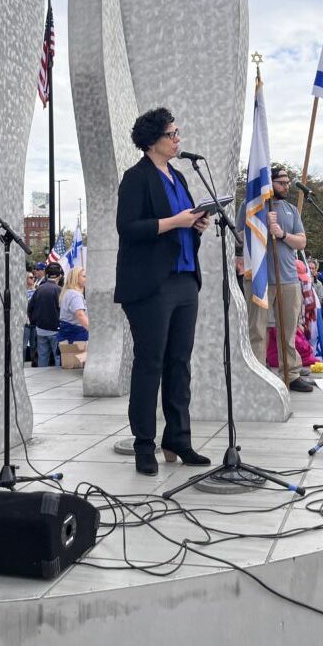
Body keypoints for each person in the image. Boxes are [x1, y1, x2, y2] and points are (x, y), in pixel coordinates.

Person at [114, 107, 211, 476]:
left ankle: (178, 439)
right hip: (152, 285)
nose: (178, 139)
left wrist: (196, 225)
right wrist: (176, 222)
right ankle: (144, 445)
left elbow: (183, 222)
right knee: (150, 365)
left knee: (179, 365)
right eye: (173, 134)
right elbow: (129, 228)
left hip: (185, 279)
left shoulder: (180, 176)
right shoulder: (136, 177)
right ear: (153, 139)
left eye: (177, 133)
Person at [235, 164, 312, 392]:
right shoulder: (249, 206)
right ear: (270, 183)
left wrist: (281, 234)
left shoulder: (290, 209)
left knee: (288, 330)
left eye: (288, 182)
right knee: (256, 329)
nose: (286, 186)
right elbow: (239, 237)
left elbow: (301, 241)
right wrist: (258, 225)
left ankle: (291, 373)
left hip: (288, 278)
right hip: (259, 276)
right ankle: (257, 373)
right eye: (281, 182)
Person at [27, 262, 63, 366]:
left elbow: (30, 307)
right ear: (59, 276)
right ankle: (58, 379)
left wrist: (34, 322)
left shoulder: (39, 289)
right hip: (55, 330)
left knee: (42, 357)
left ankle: (42, 379)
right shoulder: (59, 290)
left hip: (41, 329)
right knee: (57, 357)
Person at [57, 266, 89, 368]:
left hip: (68, 331)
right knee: (77, 366)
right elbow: (80, 315)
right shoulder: (75, 295)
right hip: (76, 333)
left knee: (70, 364)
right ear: (76, 278)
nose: (87, 278)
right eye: (84, 276)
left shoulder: (68, 293)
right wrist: (92, 330)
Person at [22, 270, 37, 364]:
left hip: (34, 320)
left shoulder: (36, 291)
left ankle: (33, 362)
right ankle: (22, 362)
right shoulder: (22, 291)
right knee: (24, 344)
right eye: (31, 277)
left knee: (33, 344)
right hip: (25, 320)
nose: (33, 279)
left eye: (33, 277)